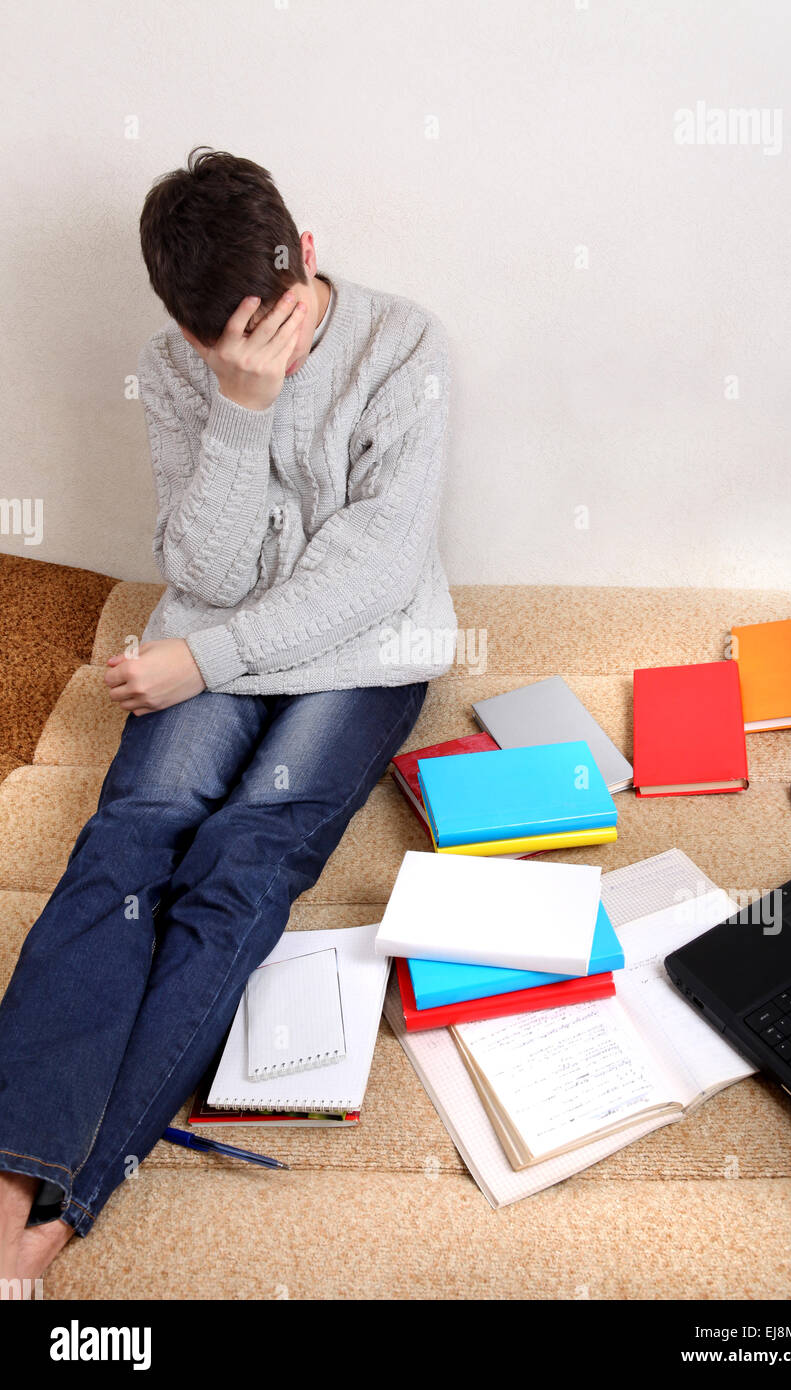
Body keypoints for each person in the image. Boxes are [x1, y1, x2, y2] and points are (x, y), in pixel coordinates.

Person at [0, 147, 456, 1284]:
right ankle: (12, 1165)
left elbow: (373, 572)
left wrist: (205, 661)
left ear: (306, 255)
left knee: (242, 857)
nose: (270, 356)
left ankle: (74, 1197)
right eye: (226, 348)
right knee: (125, 841)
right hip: (208, 637)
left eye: (282, 325)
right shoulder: (175, 365)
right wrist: (240, 412)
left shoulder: (405, 346)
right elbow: (201, 559)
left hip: (362, 651)